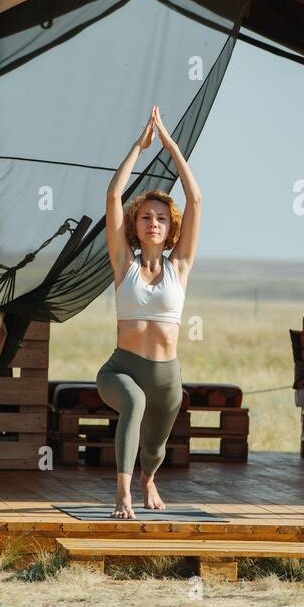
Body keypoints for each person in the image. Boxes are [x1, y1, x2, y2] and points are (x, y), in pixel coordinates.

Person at [97, 105, 201, 519]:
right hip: (121, 370)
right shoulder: (124, 264)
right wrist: (140, 148)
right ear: (135, 226)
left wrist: (172, 146)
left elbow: (195, 198)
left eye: (160, 218)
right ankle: (123, 494)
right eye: (145, 217)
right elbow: (112, 197)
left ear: (169, 227)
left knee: (155, 449)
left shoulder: (180, 267)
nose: (153, 223)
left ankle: (147, 479)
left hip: (167, 378)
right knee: (133, 402)